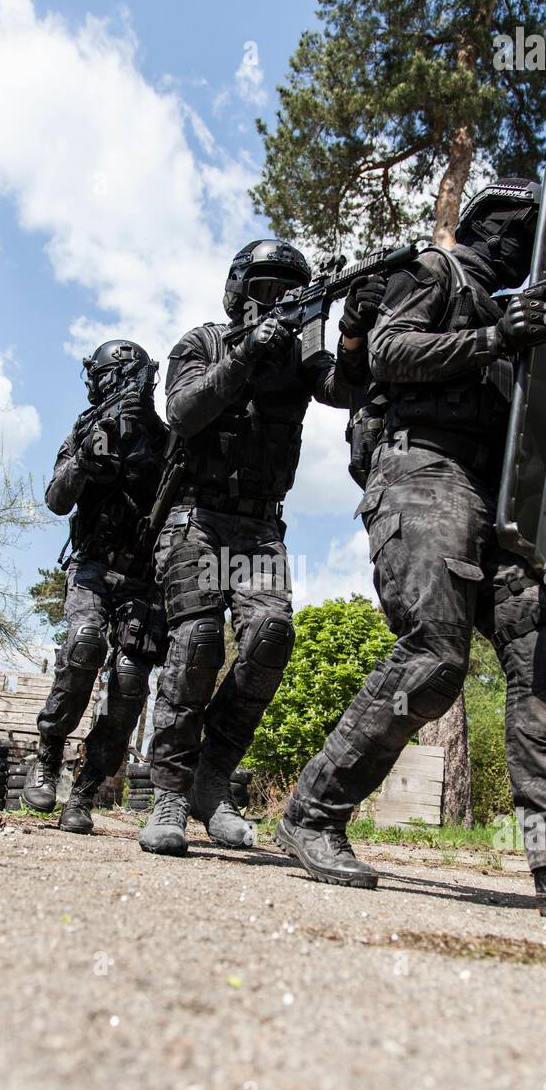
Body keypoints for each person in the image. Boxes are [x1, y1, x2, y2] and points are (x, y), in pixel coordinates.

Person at [276, 179, 546, 919]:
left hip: (489, 497)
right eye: (514, 231)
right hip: (419, 470)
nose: (520, 248)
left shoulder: (510, 309)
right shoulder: (433, 273)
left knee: (545, 652)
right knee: (434, 655)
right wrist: (496, 338)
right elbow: (392, 353)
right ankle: (312, 812)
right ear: (484, 224)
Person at [139, 238, 385, 857]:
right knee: (195, 644)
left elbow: (343, 389)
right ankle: (167, 791)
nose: (274, 299)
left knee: (270, 635)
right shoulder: (201, 343)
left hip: (257, 527)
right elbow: (184, 412)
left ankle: (210, 780)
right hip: (194, 515)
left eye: (286, 289)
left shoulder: (299, 356)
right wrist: (247, 353)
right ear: (237, 289)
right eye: (263, 287)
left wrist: (351, 331)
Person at [23, 340, 168, 834]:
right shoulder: (85, 431)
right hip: (92, 567)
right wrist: (86, 459)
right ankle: (47, 754)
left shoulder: (166, 437)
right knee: (82, 646)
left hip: (144, 579)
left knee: (129, 683)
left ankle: (84, 792)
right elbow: (57, 500)